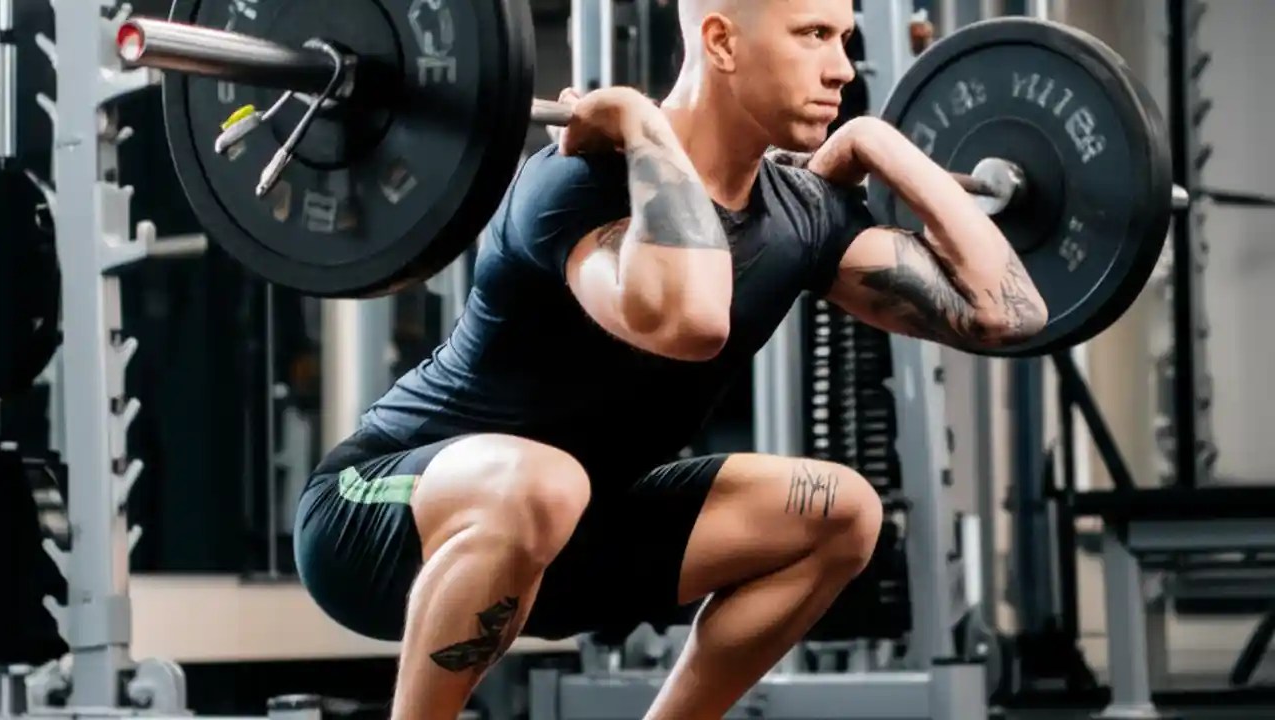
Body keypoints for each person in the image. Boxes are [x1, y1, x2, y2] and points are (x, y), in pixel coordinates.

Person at [293, 0, 1049, 718]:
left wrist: (884, 146)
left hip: (578, 532)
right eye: (813, 35)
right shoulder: (578, 181)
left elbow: (1008, 313)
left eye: (845, 40)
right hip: (376, 521)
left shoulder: (801, 213)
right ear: (721, 42)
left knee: (842, 512)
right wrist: (640, 121)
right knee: (545, 484)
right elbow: (691, 320)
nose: (842, 68)